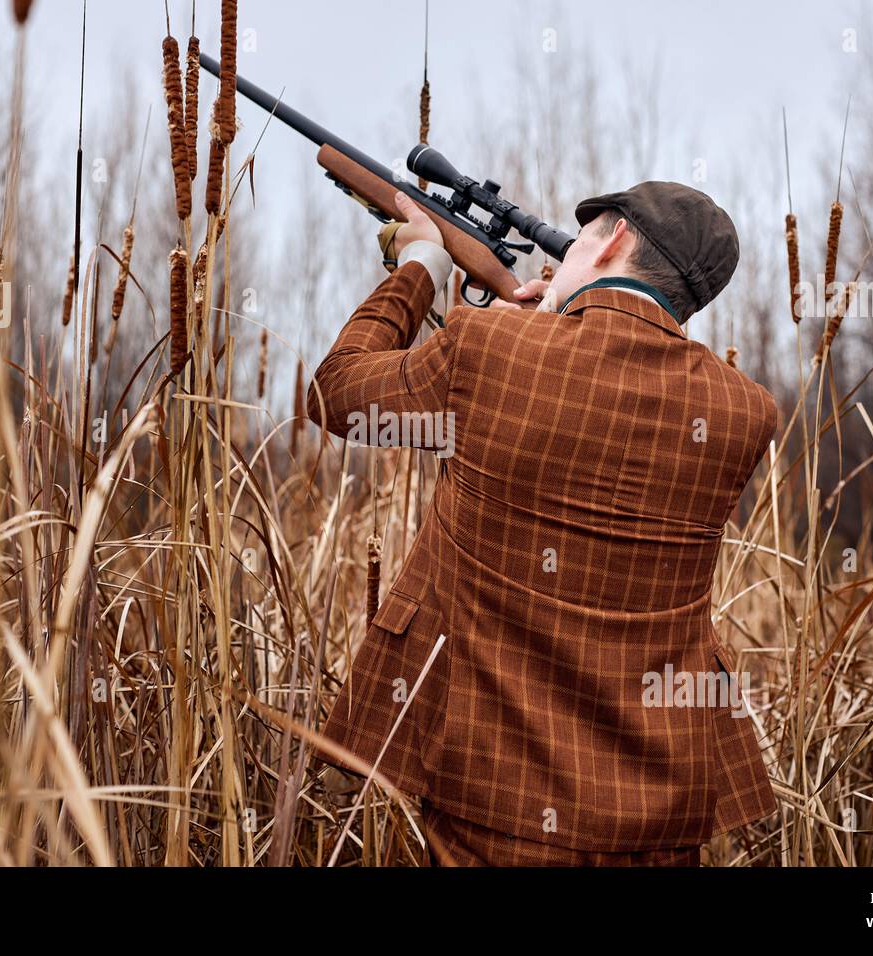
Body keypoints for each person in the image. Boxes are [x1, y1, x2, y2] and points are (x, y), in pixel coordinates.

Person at [308, 181, 778, 866]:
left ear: (614, 240)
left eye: (579, 238)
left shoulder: (488, 348)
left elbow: (337, 392)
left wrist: (422, 268)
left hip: (490, 790)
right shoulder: (743, 413)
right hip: (662, 804)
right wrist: (516, 334)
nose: (560, 258)